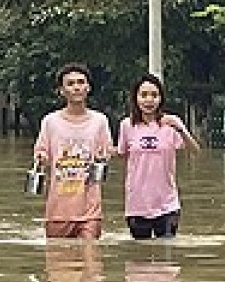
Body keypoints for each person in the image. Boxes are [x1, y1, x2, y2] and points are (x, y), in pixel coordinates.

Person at [33, 62, 113, 239]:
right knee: (58, 263)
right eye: (70, 84)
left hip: (90, 209)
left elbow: (106, 154)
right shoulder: (50, 121)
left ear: (88, 87)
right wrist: (42, 158)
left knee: (92, 261)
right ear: (61, 91)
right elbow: (41, 153)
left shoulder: (100, 121)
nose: (76, 87)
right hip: (58, 210)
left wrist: (103, 158)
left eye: (80, 82)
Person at [116, 73, 200, 240]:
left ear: (161, 98)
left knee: (167, 254)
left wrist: (181, 129)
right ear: (136, 98)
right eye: (144, 95)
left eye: (154, 95)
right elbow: (122, 154)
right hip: (137, 204)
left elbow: (195, 151)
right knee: (139, 257)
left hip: (167, 203)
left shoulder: (171, 123)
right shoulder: (127, 125)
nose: (149, 100)